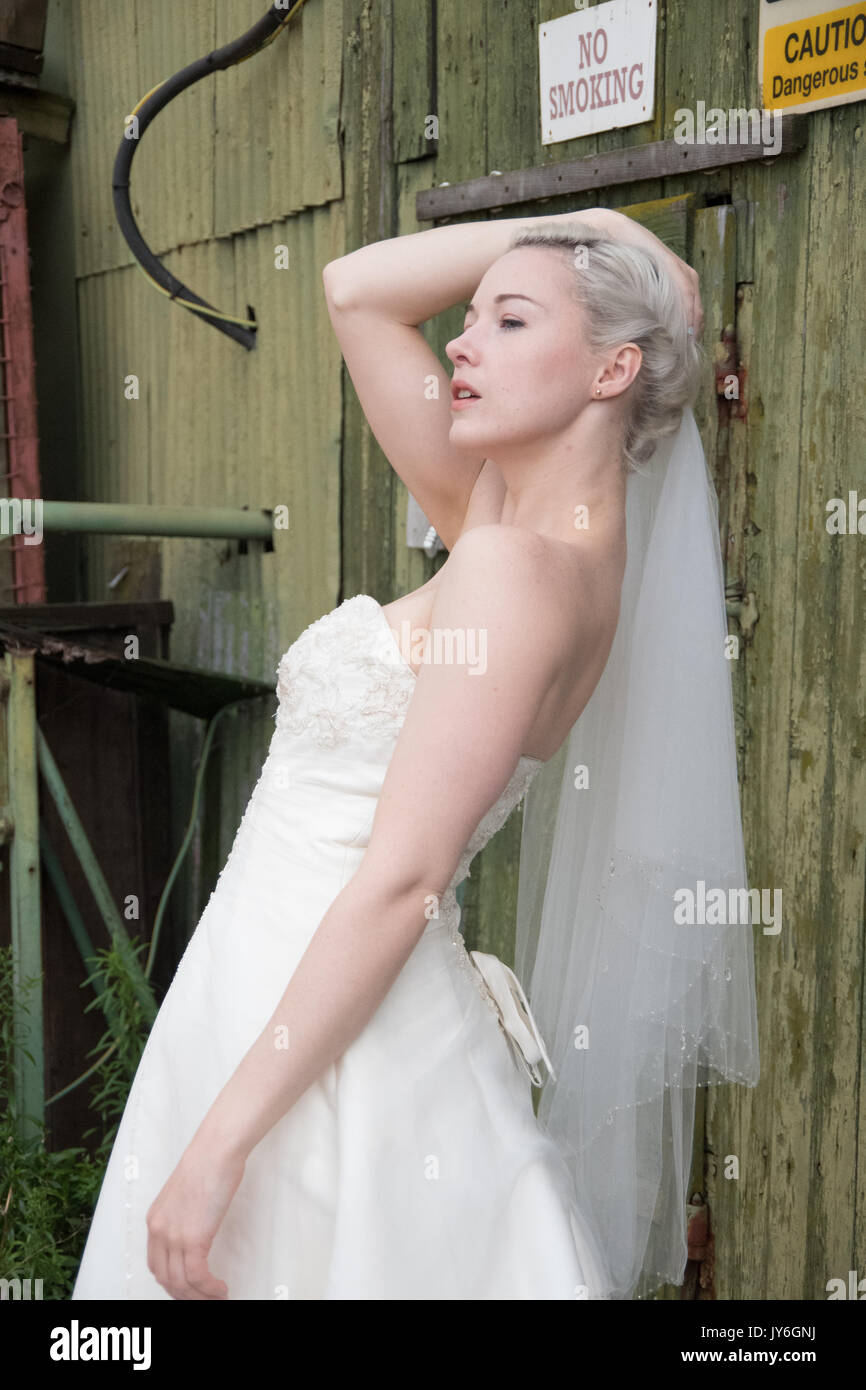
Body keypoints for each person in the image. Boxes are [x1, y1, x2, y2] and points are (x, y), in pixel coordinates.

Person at [71, 208, 749, 1301]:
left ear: (610, 368)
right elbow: (354, 289)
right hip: (274, 991)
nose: (459, 342)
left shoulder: (513, 570)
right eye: (469, 316)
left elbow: (402, 882)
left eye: (509, 320)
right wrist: (590, 225)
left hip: (337, 1041)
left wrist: (216, 1147)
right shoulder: (521, 527)